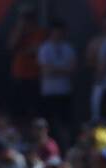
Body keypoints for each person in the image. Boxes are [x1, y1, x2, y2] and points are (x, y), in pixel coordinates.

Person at [38, 19, 77, 149]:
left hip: (64, 91)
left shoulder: (68, 49)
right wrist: (62, 69)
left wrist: (54, 69)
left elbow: (72, 70)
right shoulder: (45, 48)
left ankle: (66, 148)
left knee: (65, 123)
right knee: (50, 123)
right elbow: (45, 71)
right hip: (49, 91)